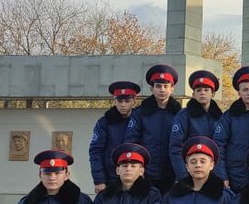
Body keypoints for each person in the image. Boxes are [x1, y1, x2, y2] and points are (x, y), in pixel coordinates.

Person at [214, 66, 249, 193]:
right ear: (239, 92)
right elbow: (219, 146)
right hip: (235, 177)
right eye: (245, 89)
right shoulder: (228, 117)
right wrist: (222, 176)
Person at [125, 64, 182, 193]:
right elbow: (131, 142)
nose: (162, 90)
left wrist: (182, 173)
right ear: (152, 88)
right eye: (158, 86)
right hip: (146, 174)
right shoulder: (140, 113)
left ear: (172, 88)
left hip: (173, 175)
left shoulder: (180, 114)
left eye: (166, 86)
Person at [169, 70, 223, 181]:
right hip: (191, 171)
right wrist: (184, 176)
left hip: (213, 173)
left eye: (206, 90)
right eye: (198, 90)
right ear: (193, 94)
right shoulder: (183, 116)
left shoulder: (220, 117)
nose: (202, 93)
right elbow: (176, 147)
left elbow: (222, 148)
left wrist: (221, 175)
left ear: (213, 94)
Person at [89, 80, 140, 193]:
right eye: (119, 101)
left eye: (127, 101)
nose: (123, 104)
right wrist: (99, 180)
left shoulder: (141, 120)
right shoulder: (104, 123)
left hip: (137, 179)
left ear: (134, 100)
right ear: (114, 101)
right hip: (110, 179)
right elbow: (96, 151)